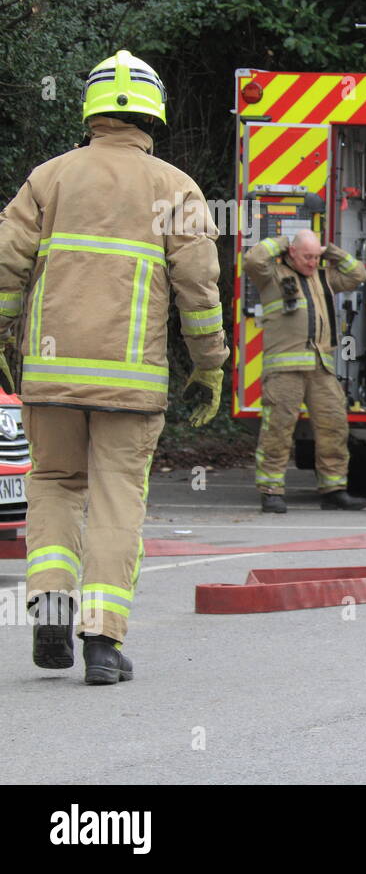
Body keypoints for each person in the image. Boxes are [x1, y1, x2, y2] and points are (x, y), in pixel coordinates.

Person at [0, 50, 227, 684]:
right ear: (153, 112)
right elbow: (199, 288)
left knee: (53, 484)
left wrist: (2, 338)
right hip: (132, 384)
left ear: (92, 111)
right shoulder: (174, 187)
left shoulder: (49, 179)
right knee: (116, 501)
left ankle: (49, 604)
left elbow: (5, 268)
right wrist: (209, 365)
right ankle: (101, 641)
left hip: (49, 378)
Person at [243, 227, 366, 512]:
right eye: (306, 257)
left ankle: (334, 489)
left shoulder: (323, 276)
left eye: (315, 257)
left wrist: (331, 252)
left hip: (319, 366)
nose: (312, 263)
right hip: (285, 369)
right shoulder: (272, 276)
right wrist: (285, 241)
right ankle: (271, 490)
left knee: (334, 425)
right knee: (278, 428)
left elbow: (357, 274)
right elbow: (252, 259)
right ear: (292, 253)